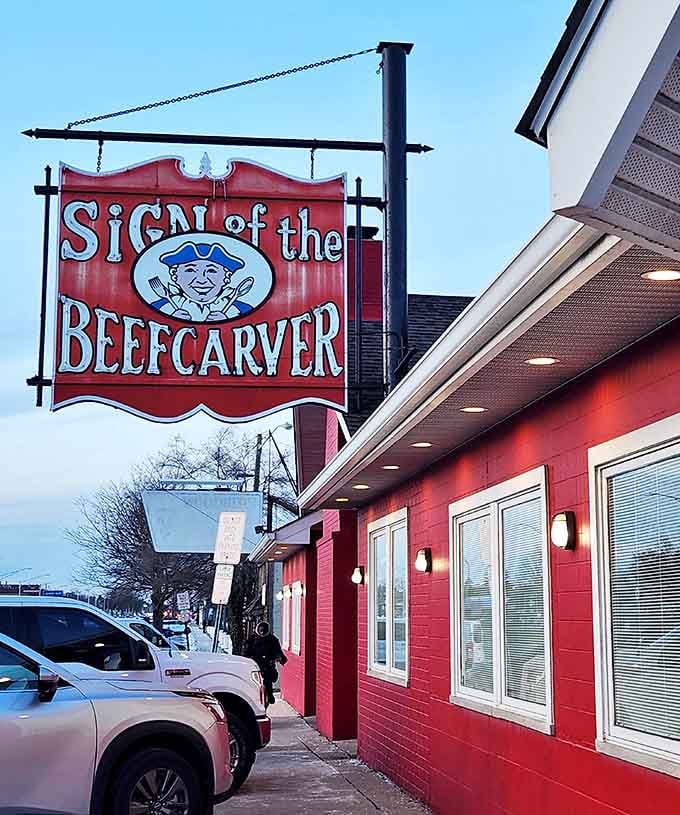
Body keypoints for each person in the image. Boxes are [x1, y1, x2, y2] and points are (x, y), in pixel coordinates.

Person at [150, 241, 254, 322]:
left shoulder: (244, 310)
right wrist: (170, 322)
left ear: (226, 277)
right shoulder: (157, 308)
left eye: (211, 271)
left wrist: (228, 325)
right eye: (190, 270)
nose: (201, 280)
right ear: (175, 275)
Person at [244, 621, 287, 707]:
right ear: (258, 630)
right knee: (254, 689)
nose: (262, 633)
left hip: (268, 667)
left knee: (268, 687)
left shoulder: (273, 640)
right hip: (255, 667)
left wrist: (279, 658)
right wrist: (249, 660)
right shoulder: (251, 639)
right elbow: (245, 653)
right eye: (261, 631)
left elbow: (279, 653)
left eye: (264, 631)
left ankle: (268, 699)